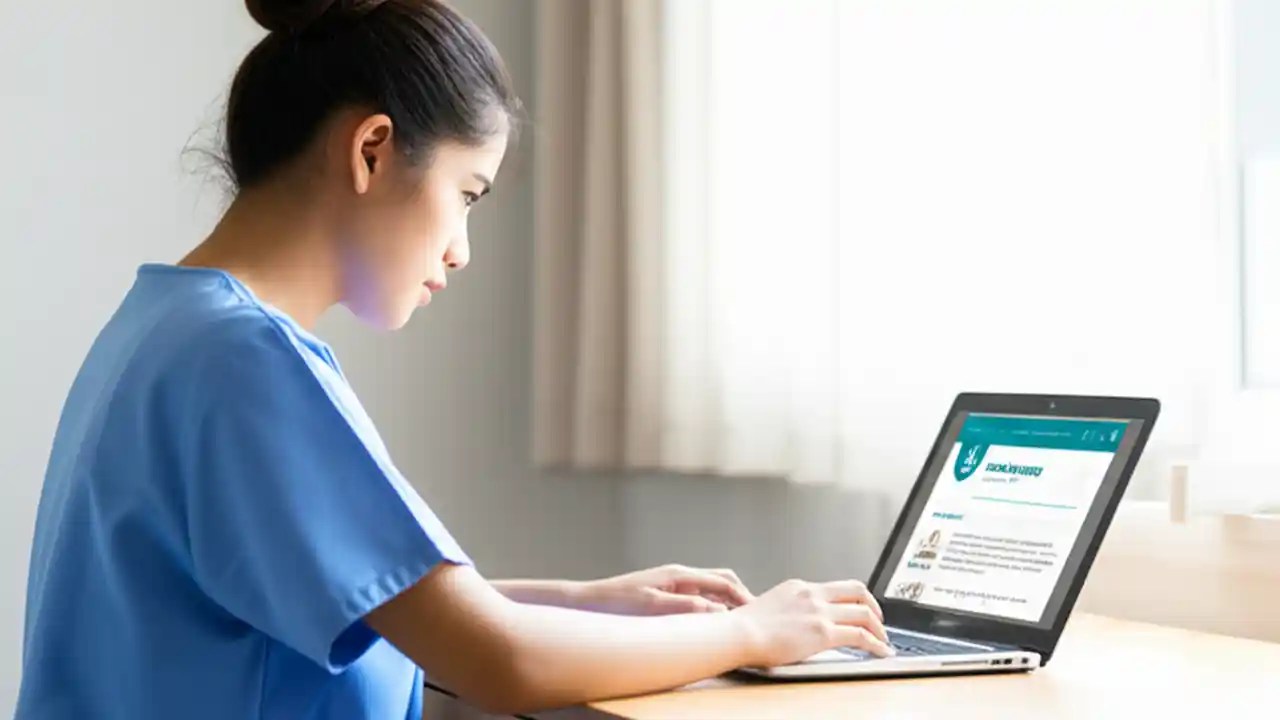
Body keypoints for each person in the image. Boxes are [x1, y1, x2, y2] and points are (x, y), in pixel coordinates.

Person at [15, 1, 892, 718]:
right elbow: (496, 662)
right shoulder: (245, 359)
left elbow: (361, 604)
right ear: (371, 150)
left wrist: (588, 601)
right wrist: (758, 632)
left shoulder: (163, 321)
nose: (462, 248)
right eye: (466, 194)